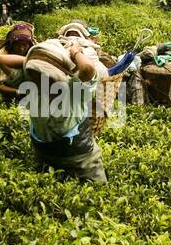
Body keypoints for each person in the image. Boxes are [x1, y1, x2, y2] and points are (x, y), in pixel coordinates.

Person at [22, 37, 109, 182]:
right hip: (46, 159)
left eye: (46, 75)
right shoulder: (34, 90)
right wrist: (35, 58)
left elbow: (88, 69)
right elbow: (2, 60)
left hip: (82, 163)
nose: (41, 80)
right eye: (36, 74)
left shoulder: (73, 91)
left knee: (97, 191)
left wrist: (75, 52)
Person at [0, 22, 35, 100]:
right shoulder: (1, 56)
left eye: (25, 45)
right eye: (18, 45)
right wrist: (18, 92)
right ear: (12, 44)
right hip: (11, 89)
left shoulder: (33, 50)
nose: (21, 48)